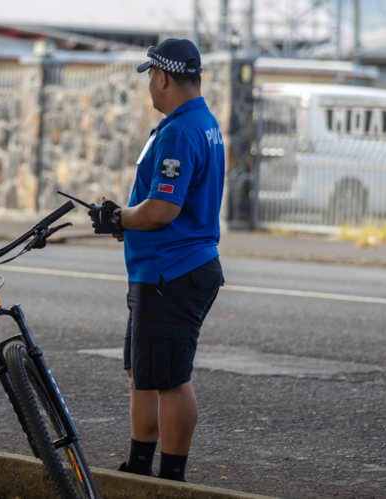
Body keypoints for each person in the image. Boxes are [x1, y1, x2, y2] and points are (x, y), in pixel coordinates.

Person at [88, 38, 224, 483]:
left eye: (150, 76)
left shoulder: (181, 131)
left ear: (162, 76)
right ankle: (140, 468)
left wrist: (118, 217)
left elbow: (163, 209)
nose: (150, 85)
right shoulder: (199, 122)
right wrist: (123, 222)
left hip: (173, 271)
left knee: (170, 378)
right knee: (142, 371)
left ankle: (172, 480)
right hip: (161, 269)